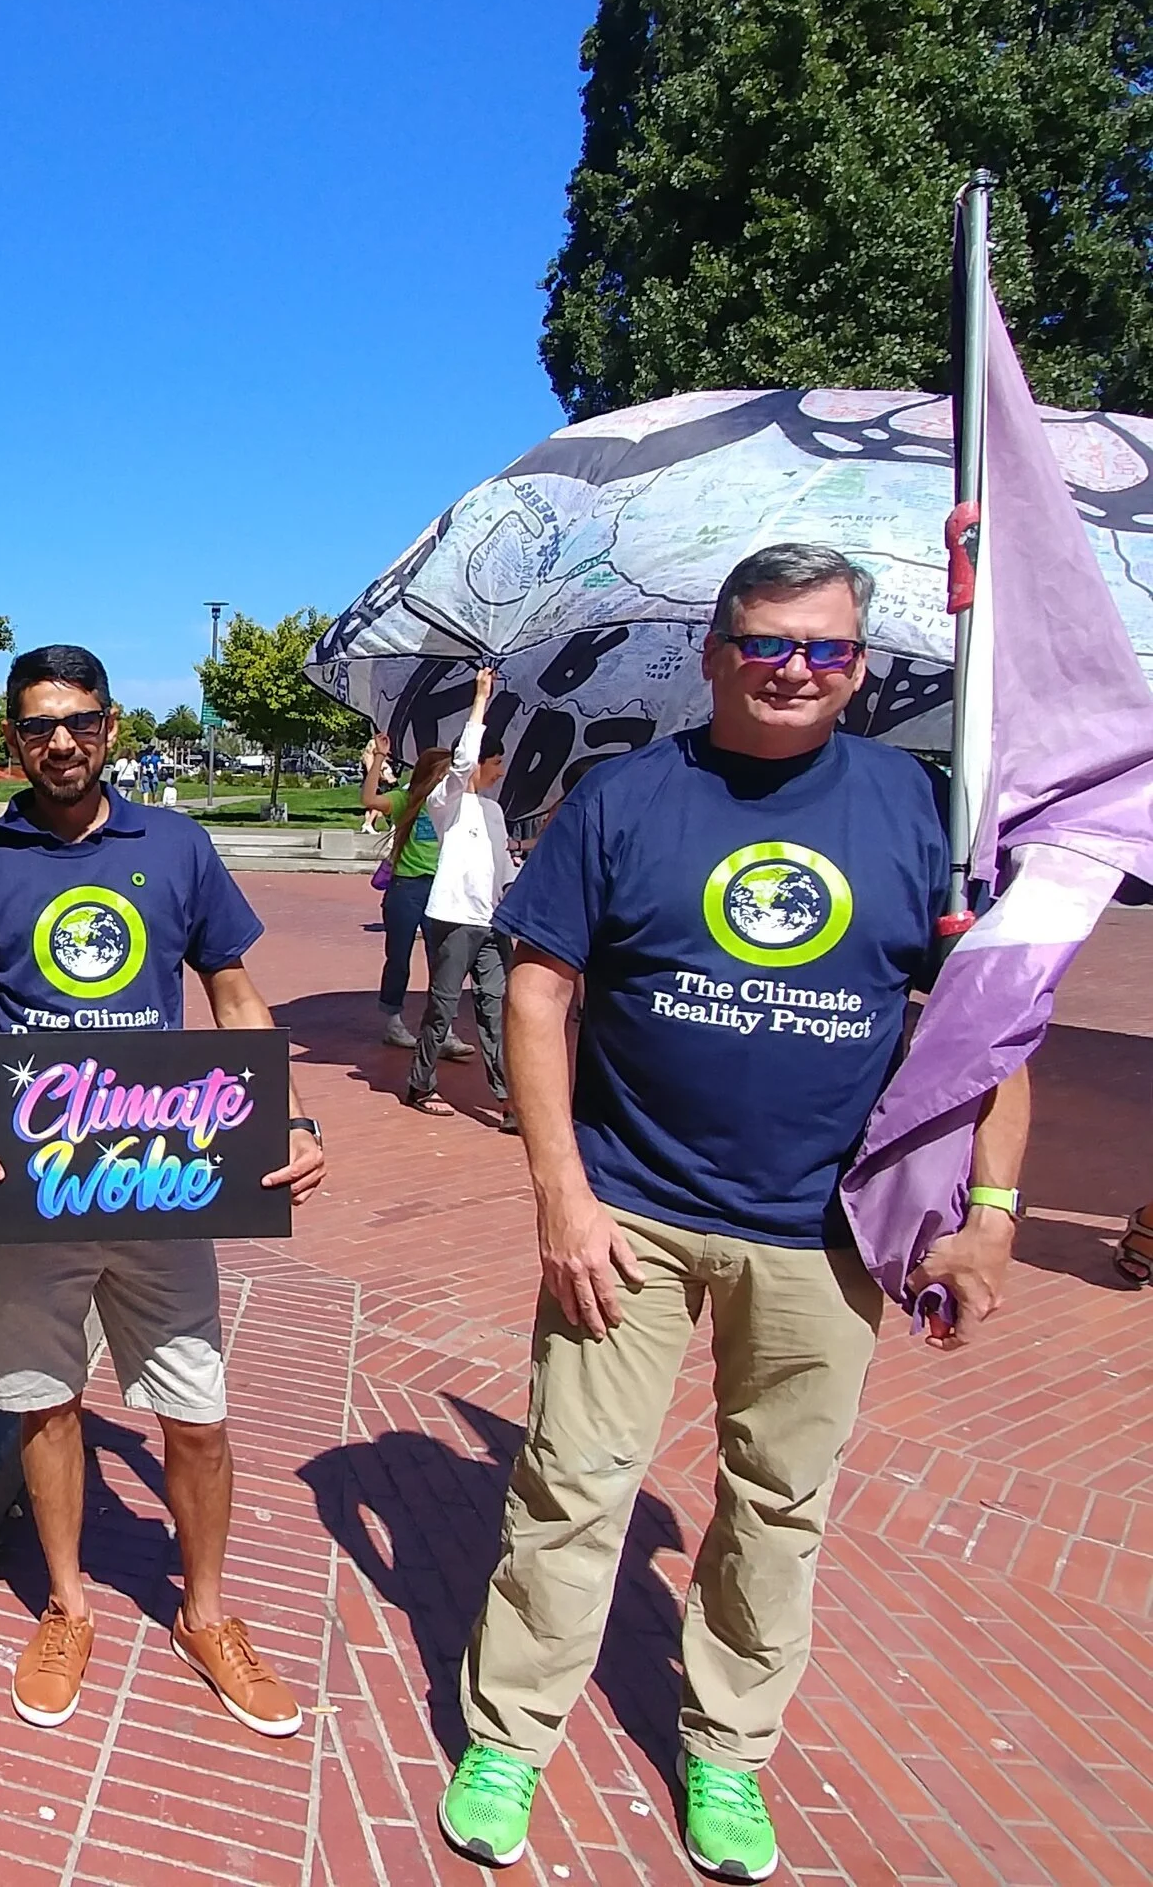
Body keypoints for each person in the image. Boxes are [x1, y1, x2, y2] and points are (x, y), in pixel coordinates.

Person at [436, 544, 1032, 1881]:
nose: (796, 670)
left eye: (825, 648)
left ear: (862, 666)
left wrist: (989, 1207)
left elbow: (987, 1029)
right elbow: (539, 994)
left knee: (779, 1502)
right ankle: (511, 1736)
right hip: (630, 1212)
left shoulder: (920, 809)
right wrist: (560, 1194)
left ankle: (729, 1754)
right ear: (715, 653)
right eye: (766, 644)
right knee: (575, 1487)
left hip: (830, 1231)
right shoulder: (627, 800)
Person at [0, 643, 330, 1742]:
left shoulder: (175, 847)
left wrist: (289, 1119)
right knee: (45, 1400)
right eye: (37, 726)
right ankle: (70, 1605)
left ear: (112, 728)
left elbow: (232, 990)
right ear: (9, 741)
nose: (60, 743)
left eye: (79, 722)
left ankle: (208, 1613)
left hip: (160, 1175)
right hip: (27, 1182)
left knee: (195, 1410)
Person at [404, 667, 516, 1126]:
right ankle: (420, 1083)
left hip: (492, 923)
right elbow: (464, 759)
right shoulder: (446, 801)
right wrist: (480, 698)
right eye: (497, 763)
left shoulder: (493, 810)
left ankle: (507, 1096)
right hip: (453, 918)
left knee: (496, 1007)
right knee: (443, 1005)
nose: (499, 772)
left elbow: (504, 868)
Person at [363, 732, 470, 1059]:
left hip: (441, 887)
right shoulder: (403, 799)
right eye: (443, 773)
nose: (448, 780)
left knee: (443, 960)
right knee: (399, 956)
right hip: (407, 887)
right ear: (430, 773)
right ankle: (393, 1021)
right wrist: (379, 758)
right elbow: (369, 800)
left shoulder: (452, 802)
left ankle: (443, 1029)